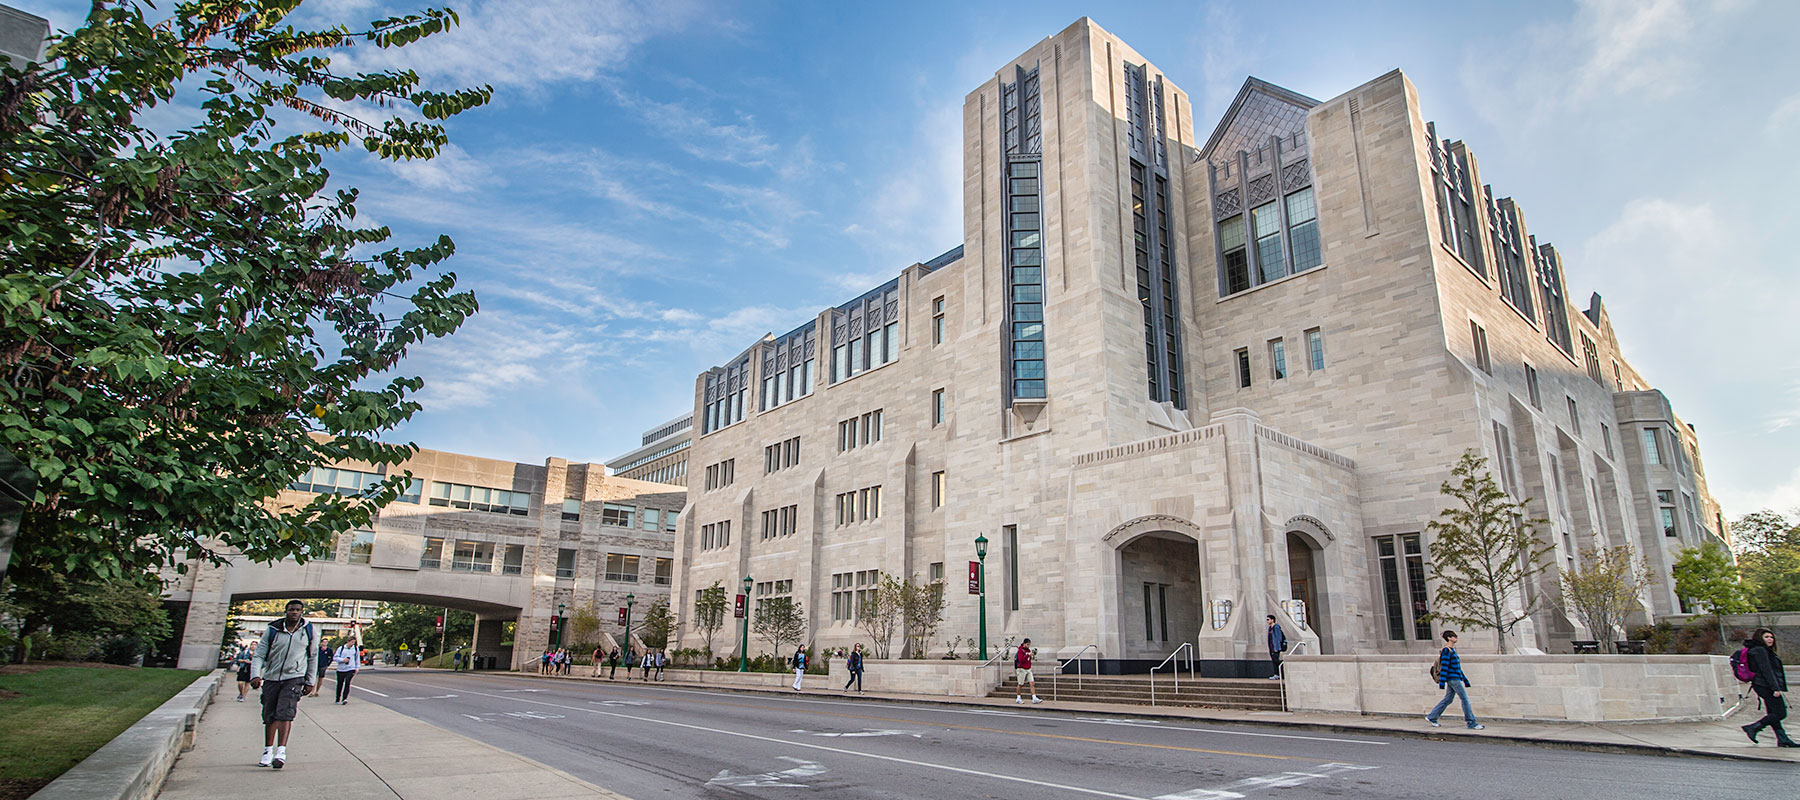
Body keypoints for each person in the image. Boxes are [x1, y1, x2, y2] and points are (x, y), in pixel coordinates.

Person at [251, 600, 318, 769]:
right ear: (285, 611)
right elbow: (259, 654)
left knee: (285, 712)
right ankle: (267, 751)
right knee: (269, 714)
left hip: (294, 677)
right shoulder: (273, 630)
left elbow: (312, 657)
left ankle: (281, 751)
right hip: (272, 677)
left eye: (297, 610)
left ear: (302, 612)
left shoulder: (309, 631)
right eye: (291, 610)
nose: (294, 612)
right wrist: (255, 675)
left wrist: (310, 681)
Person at [1741, 628, 1795, 747]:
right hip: (1765, 686)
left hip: (1762, 685)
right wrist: (1775, 688)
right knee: (1780, 713)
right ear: (1760, 638)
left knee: (1773, 712)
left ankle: (1782, 739)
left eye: (1771, 637)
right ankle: (1753, 727)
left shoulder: (1760, 650)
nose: (1770, 639)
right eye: (1766, 637)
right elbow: (1767, 671)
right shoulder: (1760, 651)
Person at [1425, 630, 1484, 730]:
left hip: (1454, 677)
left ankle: (1432, 716)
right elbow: (1445, 667)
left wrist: (1465, 680)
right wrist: (1442, 682)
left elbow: (1457, 668)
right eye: (1454, 636)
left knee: (1448, 699)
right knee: (1465, 699)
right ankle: (1471, 722)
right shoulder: (1446, 650)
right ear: (1449, 638)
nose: (1456, 638)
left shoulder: (1452, 650)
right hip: (1452, 679)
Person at [331, 630, 361, 705]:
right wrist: (343, 660)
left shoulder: (355, 649)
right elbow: (335, 657)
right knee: (340, 684)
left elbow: (357, 658)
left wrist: (357, 667)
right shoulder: (341, 649)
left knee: (347, 683)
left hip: (350, 668)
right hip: (341, 669)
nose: (352, 644)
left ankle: (345, 698)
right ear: (348, 641)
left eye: (354, 642)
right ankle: (337, 698)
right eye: (351, 642)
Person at [1014, 639, 1041, 704]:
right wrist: (1027, 655)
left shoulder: (1028, 650)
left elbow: (1028, 660)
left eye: (1029, 644)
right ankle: (1018, 697)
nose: (1028, 646)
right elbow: (1021, 660)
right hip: (1021, 669)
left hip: (1028, 668)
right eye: (1027, 644)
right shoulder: (1020, 650)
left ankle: (1034, 698)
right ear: (1024, 643)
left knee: (1032, 683)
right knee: (1020, 684)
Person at [1266, 615, 1287, 680]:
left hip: (1275, 647)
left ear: (1272, 620)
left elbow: (1278, 638)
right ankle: (1276, 674)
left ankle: (1280, 673)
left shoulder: (1276, 627)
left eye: (1268, 619)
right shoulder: (1270, 628)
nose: (1267, 621)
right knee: (1274, 661)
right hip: (1271, 647)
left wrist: (1277, 648)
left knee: (1276, 660)